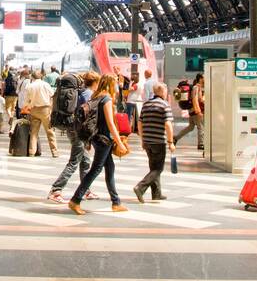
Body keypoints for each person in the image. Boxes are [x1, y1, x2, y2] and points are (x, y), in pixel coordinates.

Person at [68, 75, 130, 216]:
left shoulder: (96, 96)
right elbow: (110, 123)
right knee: (95, 170)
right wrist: (119, 143)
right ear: (110, 84)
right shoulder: (106, 99)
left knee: (110, 167)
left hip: (97, 138)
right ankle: (75, 200)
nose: (116, 87)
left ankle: (116, 202)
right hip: (104, 140)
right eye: (114, 84)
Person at [48, 71, 98, 204]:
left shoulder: (79, 92)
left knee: (85, 160)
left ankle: (86, 189)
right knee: (74, 161)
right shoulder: (87, 94)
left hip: (72, 126)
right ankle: (56, 190)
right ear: (94, 82)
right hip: (78, 130)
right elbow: (88, 117)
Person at [133, 82, 175, 203]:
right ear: (162, 92)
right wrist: (171, 142)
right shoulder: (164, 105)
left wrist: (142, 139)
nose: (167, 93)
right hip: (158, 141)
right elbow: (168, 124)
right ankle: (140, 187)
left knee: (153, 167)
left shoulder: (146, 104)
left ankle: (156, 194)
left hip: (147, 141)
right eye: (166, 91)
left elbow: (140, 123)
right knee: (158, 169)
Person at [20, 68, 57, 157]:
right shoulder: (46, 85)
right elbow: (52, 95)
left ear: (32, 77)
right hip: (45, 110)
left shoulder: (30, 86)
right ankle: (54, 152)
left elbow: (26, 101)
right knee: (50, 132)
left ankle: (31, 152)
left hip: (34, 110)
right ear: (41, 77)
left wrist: (25, 109)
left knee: (34, 132)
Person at [173, 72, 205, 150]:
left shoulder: (197, 87)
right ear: (200, 79)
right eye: (204, 77)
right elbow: (195, 100)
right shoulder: (196, 87)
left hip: (192, 110)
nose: (205, 79)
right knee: (201, 127)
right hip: (195, 111)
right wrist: (198, 111)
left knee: (190, 127)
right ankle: (201, 144)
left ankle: (176, 138)